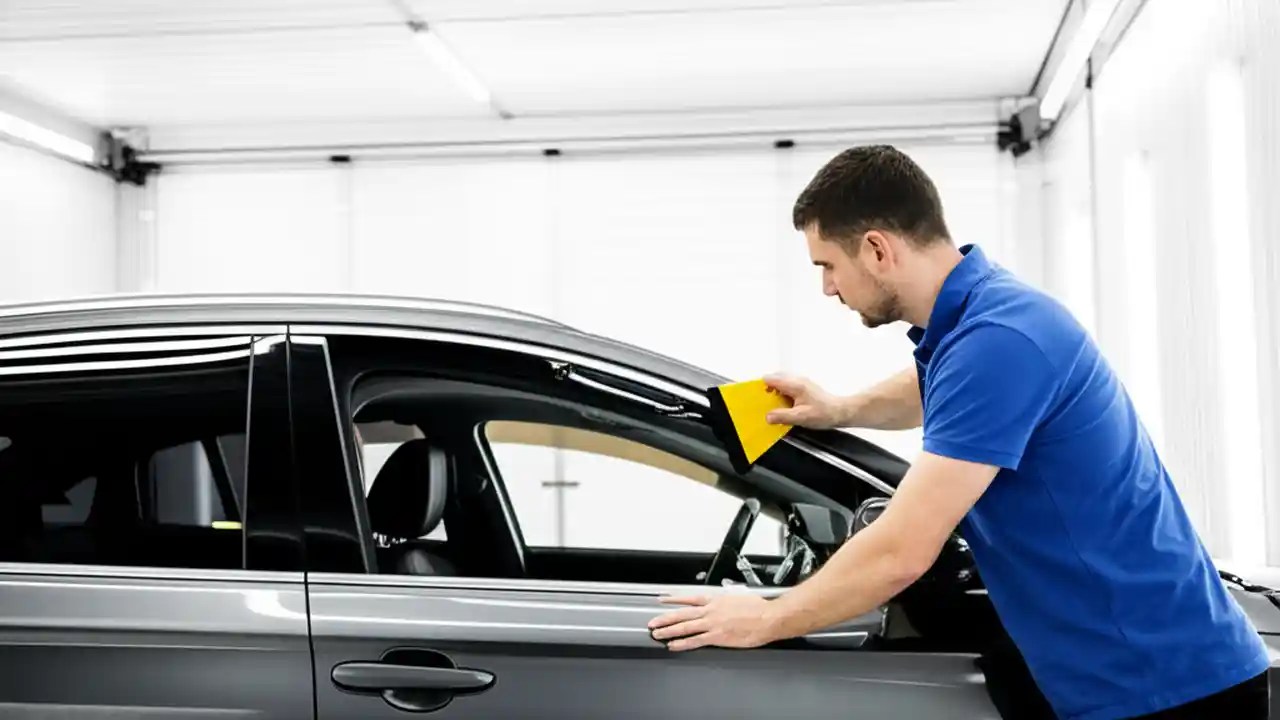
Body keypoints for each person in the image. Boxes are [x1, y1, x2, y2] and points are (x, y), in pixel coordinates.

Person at [647, 145, 1270, 720]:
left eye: (828, 265)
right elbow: (930, 389)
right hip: (1114, 672)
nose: (827, 287)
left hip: (1166, 687)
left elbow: (901, 552)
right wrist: (839, 408)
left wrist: (767, 618)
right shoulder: (978, 322)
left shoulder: (999, 341)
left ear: (877, 248)